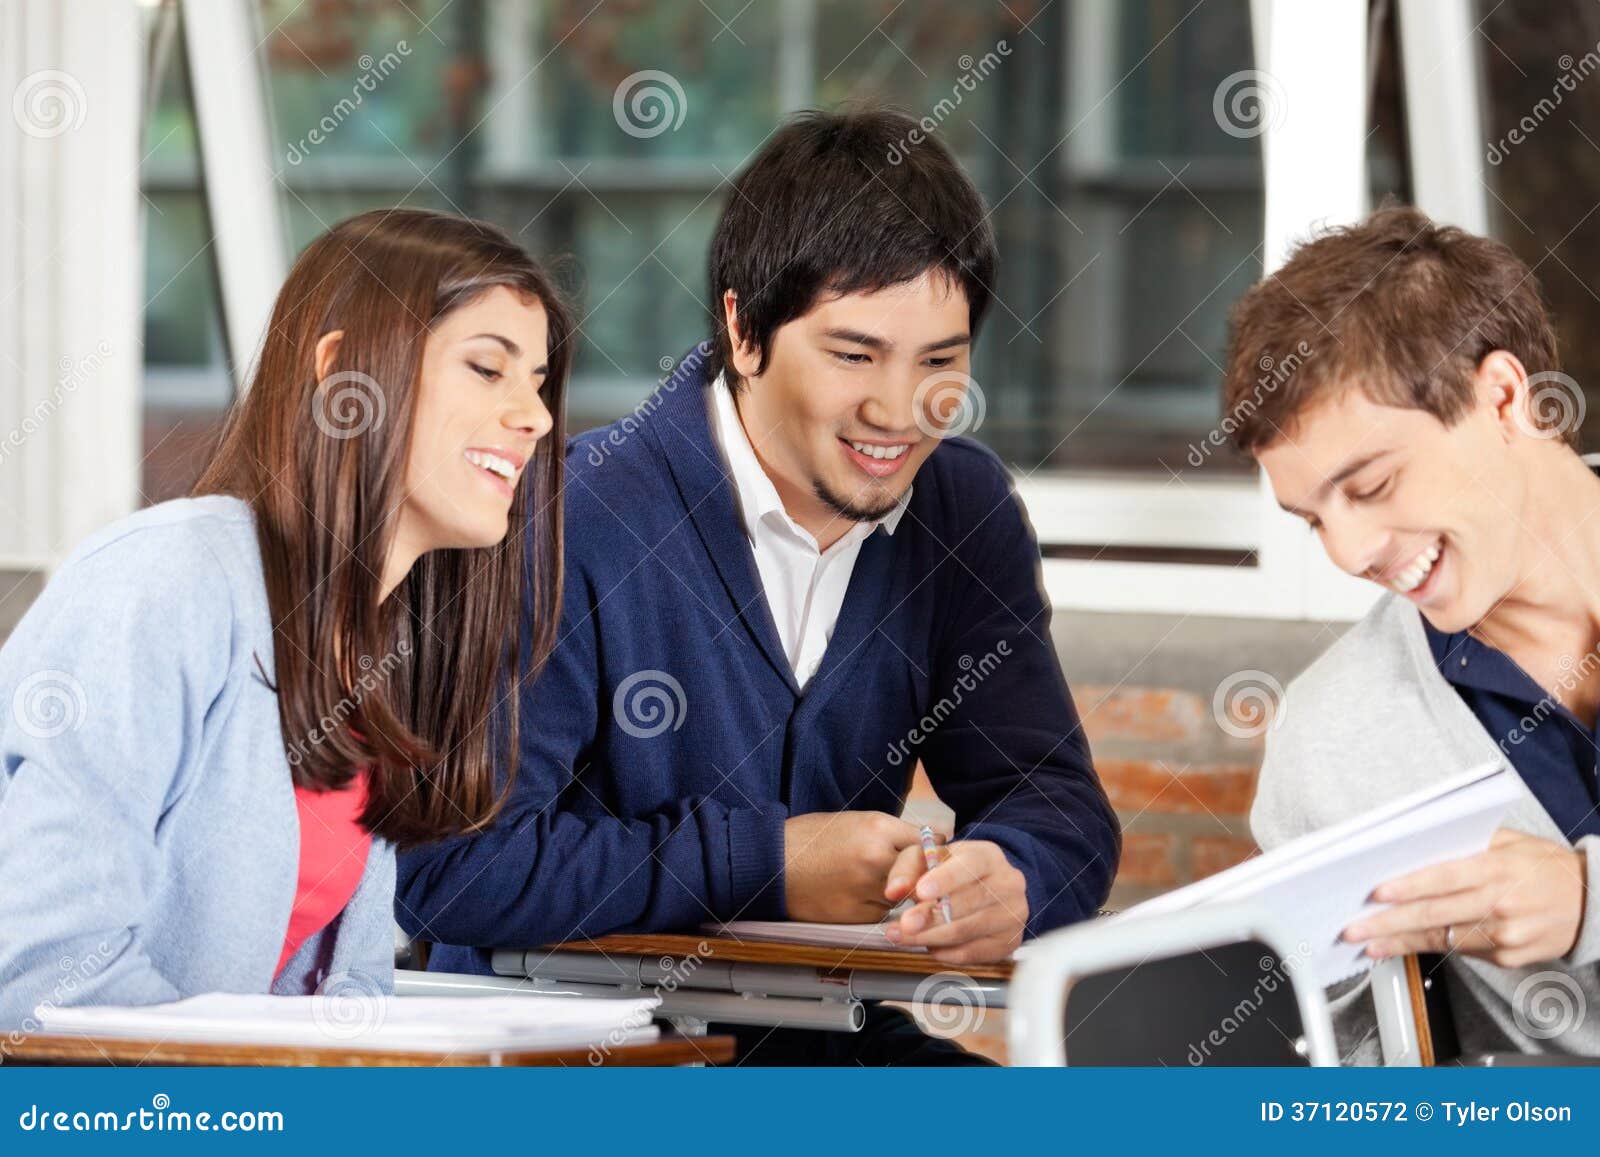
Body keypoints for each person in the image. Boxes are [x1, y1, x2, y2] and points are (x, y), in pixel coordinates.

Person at [396, 108, 1121, 1065]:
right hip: (574, 1055)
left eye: (940, 361)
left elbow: (1057, 805)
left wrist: (1011, 876)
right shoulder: (562, 516)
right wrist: (769, 864)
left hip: (824, 1046)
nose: (899, 412)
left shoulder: (961, 507)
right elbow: (452, 868)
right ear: (744, 330)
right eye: (854, 354)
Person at [0, 208, 571, 1030]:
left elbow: (349, 989)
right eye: (488, 369)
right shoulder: (169, 580)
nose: (537, 417)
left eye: (540, 382)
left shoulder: (384, 645)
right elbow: (45, 975)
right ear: (342, 373)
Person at [1224, 204, 1600, 1059]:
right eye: (1310, 519)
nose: (1350, 552)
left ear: (1504, 398)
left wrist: (1586, 897)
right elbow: (1355, 1073)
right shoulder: (1326, 742)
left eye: (1373, 484)